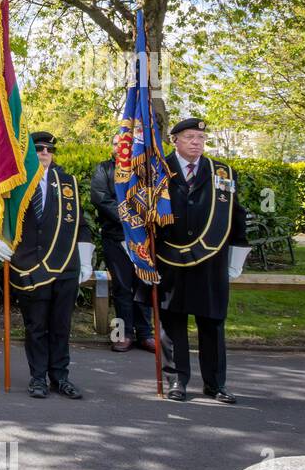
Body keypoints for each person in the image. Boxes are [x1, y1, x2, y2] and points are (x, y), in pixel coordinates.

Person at [0, 132, 94, 399]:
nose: (43, 153)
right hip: (29, 267)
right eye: (37, 149)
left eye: (48, 150)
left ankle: (61, 378)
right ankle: (38, 377)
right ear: (26, 154)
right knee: (36, 326)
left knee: (61, 326)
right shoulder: (12, 182)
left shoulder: (68, 185)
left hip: (65, 266)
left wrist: (85, 260)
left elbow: (82, 227)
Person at [156, 117, 249, 403]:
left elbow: (236, 215)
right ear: (175, 141)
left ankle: (215, 384)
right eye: (190, 137)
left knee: (212, 323)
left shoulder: (221, 171)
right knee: (173, 324)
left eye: (200, 137)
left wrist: (237, 256)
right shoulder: (158, 170)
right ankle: (176, 381)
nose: (197, 142)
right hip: (170, 259)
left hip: (211, 261)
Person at [90, 145, 156, 353]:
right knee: (122, 286)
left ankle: (145, 334)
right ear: (113, 149)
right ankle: (123, 334)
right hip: (116, 236)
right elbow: (100, 198)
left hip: (143, 239)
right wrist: (129, 219)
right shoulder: (104, 169)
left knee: (144, 283)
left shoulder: (145, 170)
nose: (122, 147)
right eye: (118, 143)